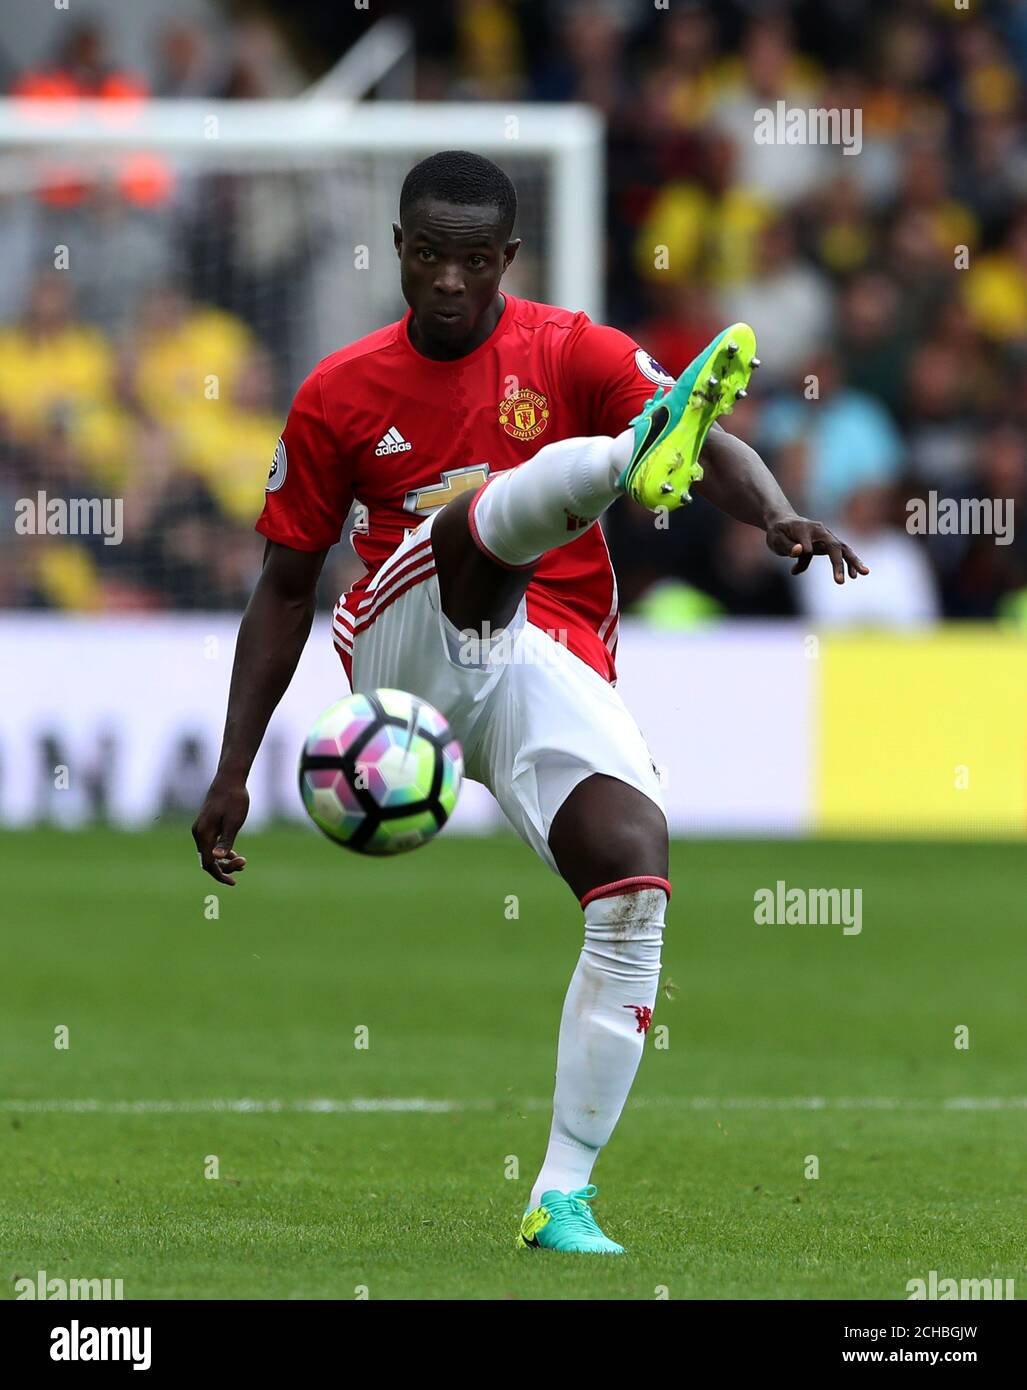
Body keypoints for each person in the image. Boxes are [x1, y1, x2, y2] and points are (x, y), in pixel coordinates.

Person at [192, 151, 867, 1255]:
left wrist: (777, 513)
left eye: (473, 259)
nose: (449, 280)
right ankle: (623, 460)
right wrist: (232, 768)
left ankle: (560, 1194)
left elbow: (726, 439)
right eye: (429, 255)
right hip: (402, 651)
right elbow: (281, 590)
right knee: (480, 518)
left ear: (506, 259)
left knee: (635, 868)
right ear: (399, 250)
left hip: (546, 662)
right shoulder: (339, 391)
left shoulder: (567, 347)